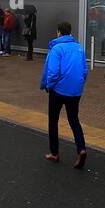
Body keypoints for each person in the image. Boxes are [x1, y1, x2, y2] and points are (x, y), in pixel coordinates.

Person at [40, 21, 88, 168]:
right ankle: (81, 149)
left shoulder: (57, 48)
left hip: (58, 90)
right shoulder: (79, 48)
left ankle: (54, 153)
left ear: (59, 32)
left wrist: (49, 86)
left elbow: (53, 72)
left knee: (53, 121)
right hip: (75, 91)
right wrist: (79, 84)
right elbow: (84, 70)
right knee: (74, 120)